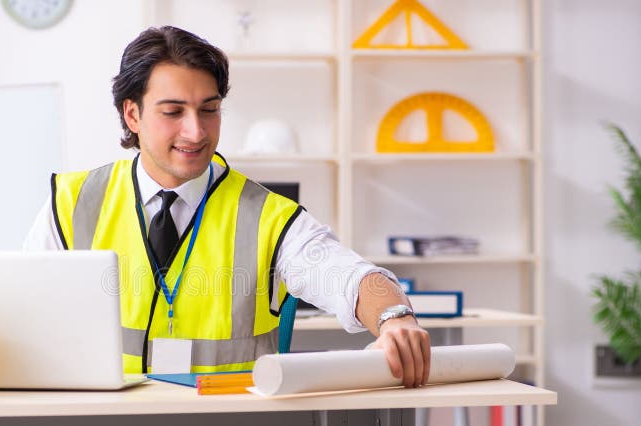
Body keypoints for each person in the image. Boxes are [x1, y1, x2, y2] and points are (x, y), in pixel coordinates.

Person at [24, 26, 430, 388]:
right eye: (173, 112)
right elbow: (22, 312)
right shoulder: (72, 202)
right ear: (132, 114)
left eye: (209, 109)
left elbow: (350, 275)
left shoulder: (268, 216)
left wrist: (395, 316)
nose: (196, 131)